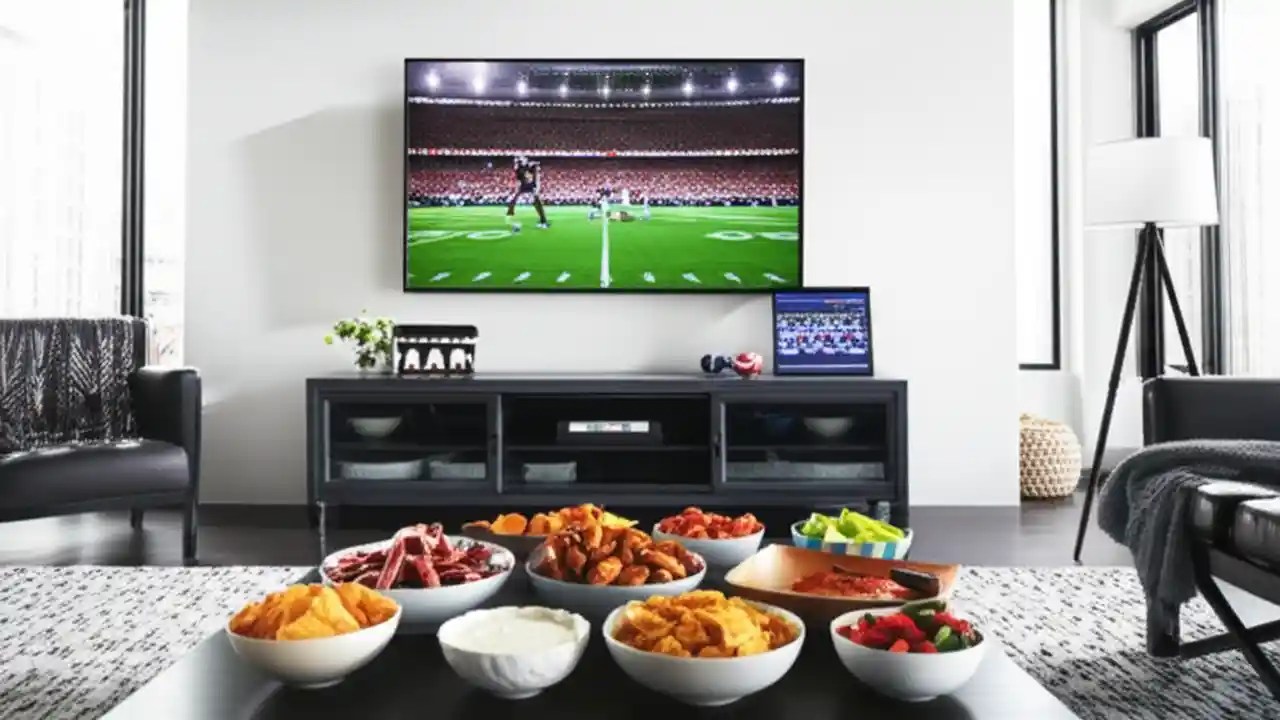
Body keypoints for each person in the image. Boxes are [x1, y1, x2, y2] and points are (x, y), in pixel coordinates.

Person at [505, 156, 549, 231]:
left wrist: (537, 188)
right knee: (514, 200)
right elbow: (519, 179)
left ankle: (543, 221)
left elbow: (536, 175)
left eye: (521, 160)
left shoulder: (531, 166)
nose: (519, 162)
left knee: (537, 203)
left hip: (531, 186)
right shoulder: (519, 169)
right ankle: (510, 215)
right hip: (523, 186)